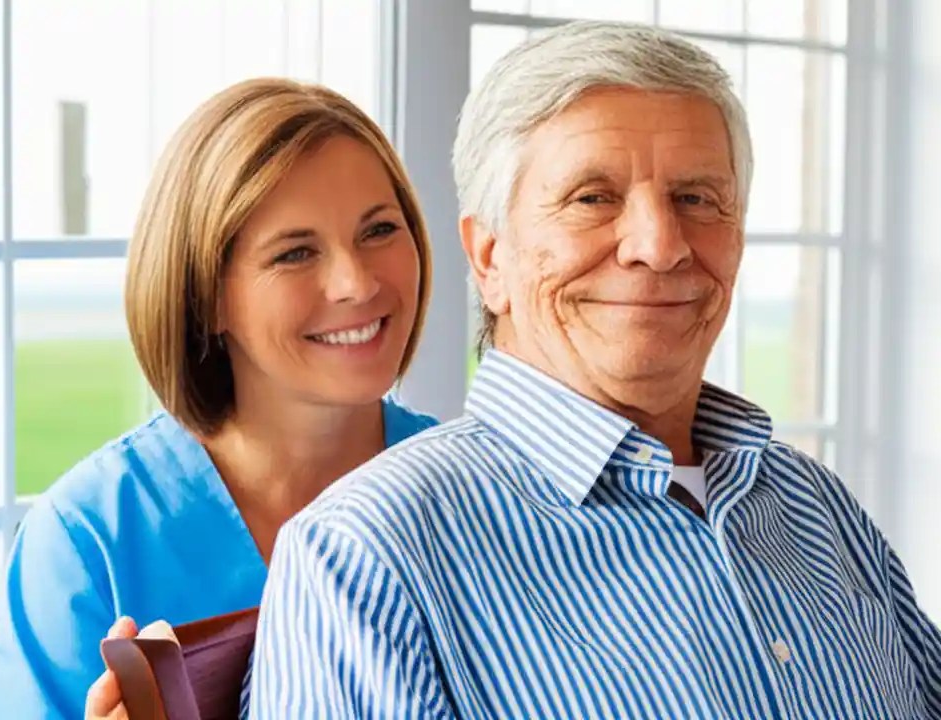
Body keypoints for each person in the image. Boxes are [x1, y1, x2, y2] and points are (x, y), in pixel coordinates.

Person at [249, 21, 941, 719]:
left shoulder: (812, 503)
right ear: (490, 259)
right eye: (592, 198)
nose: (660, 245)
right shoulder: (366, 558)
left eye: (697, 198)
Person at [0, 77, 437, 720]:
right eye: (296, 252)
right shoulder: (89, 539)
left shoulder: (480, 486)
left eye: (380, 230)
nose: (357, 282)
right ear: (207, 294)